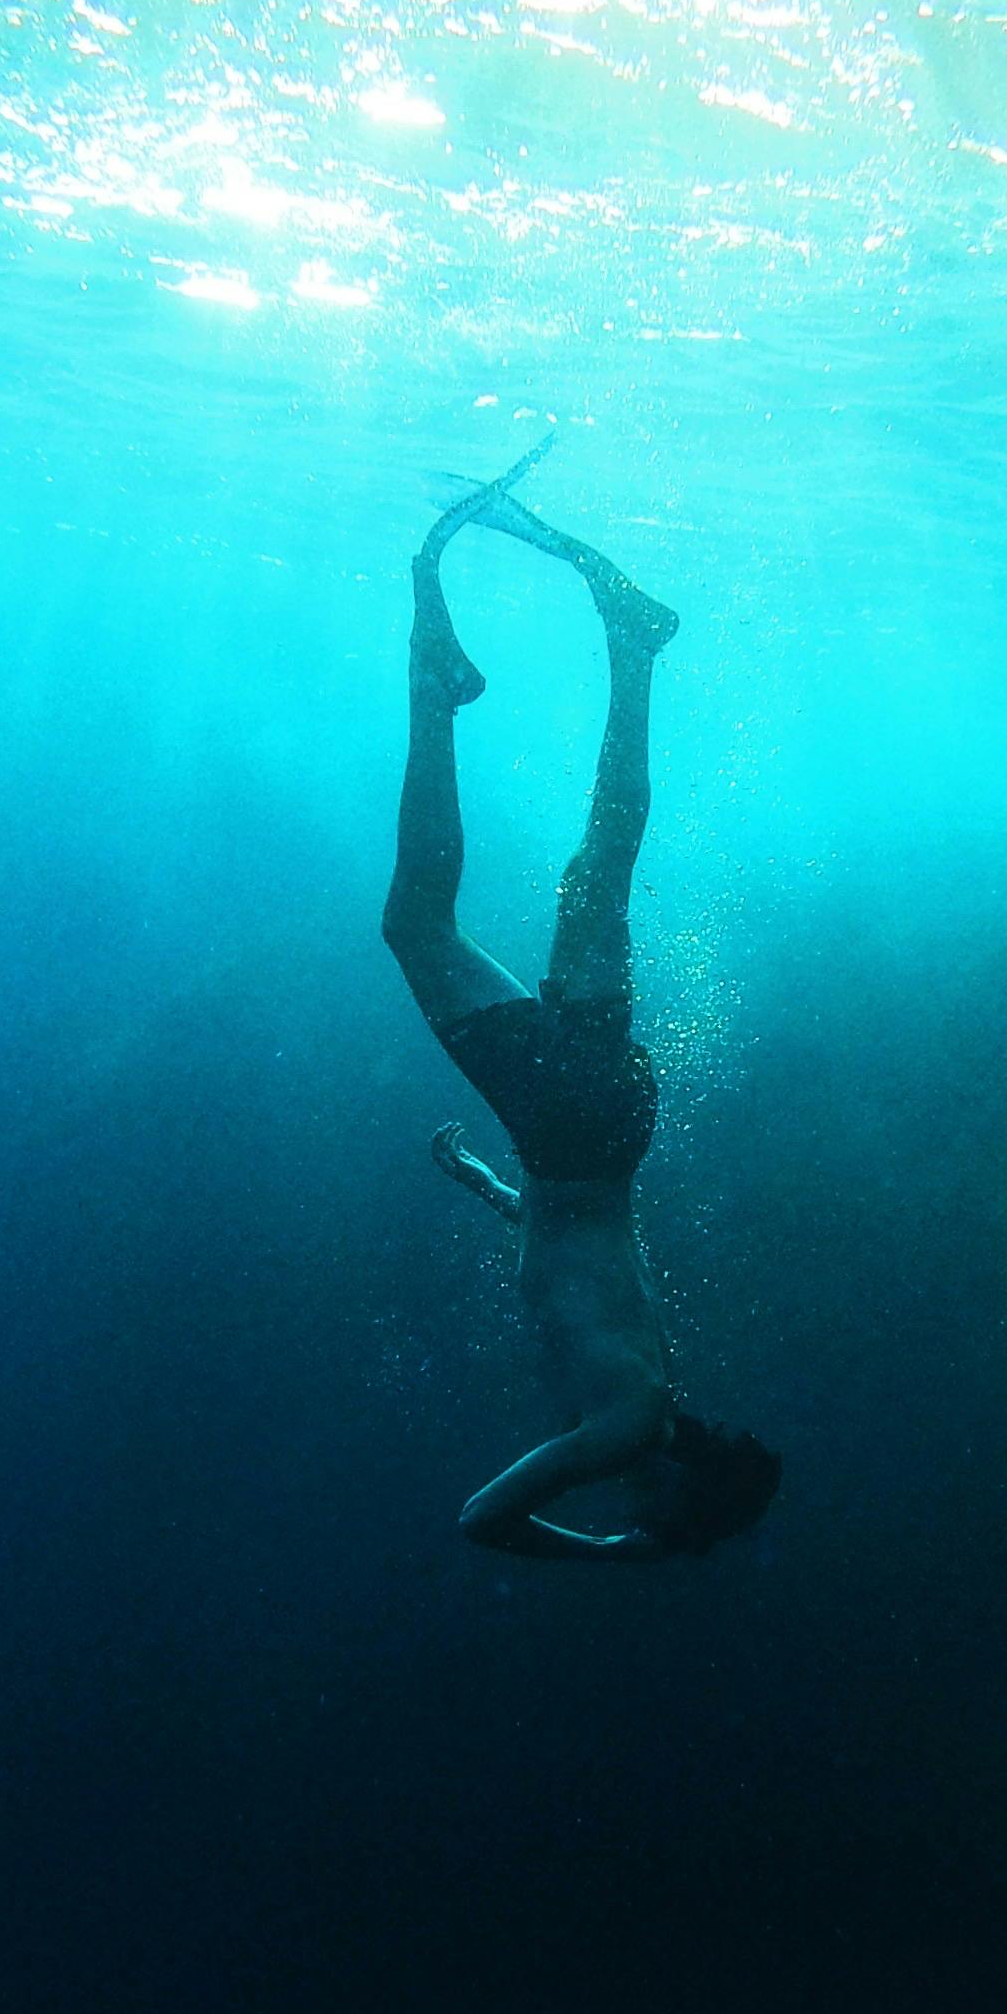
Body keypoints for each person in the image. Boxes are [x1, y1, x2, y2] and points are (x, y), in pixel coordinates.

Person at [383, 446, 782, 1563]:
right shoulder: (621, 1431)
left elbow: (577, 1258)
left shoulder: (648, 1392)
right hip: (572, 1134)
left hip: (603, 1136)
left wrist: (483, 1188)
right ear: (680, 1501)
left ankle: (634, 642)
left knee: (598, 870)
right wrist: (613, 1556)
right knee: (418, 928)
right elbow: (484, 1520)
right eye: (656, 1519)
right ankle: (438, 691)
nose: (628, 1514)